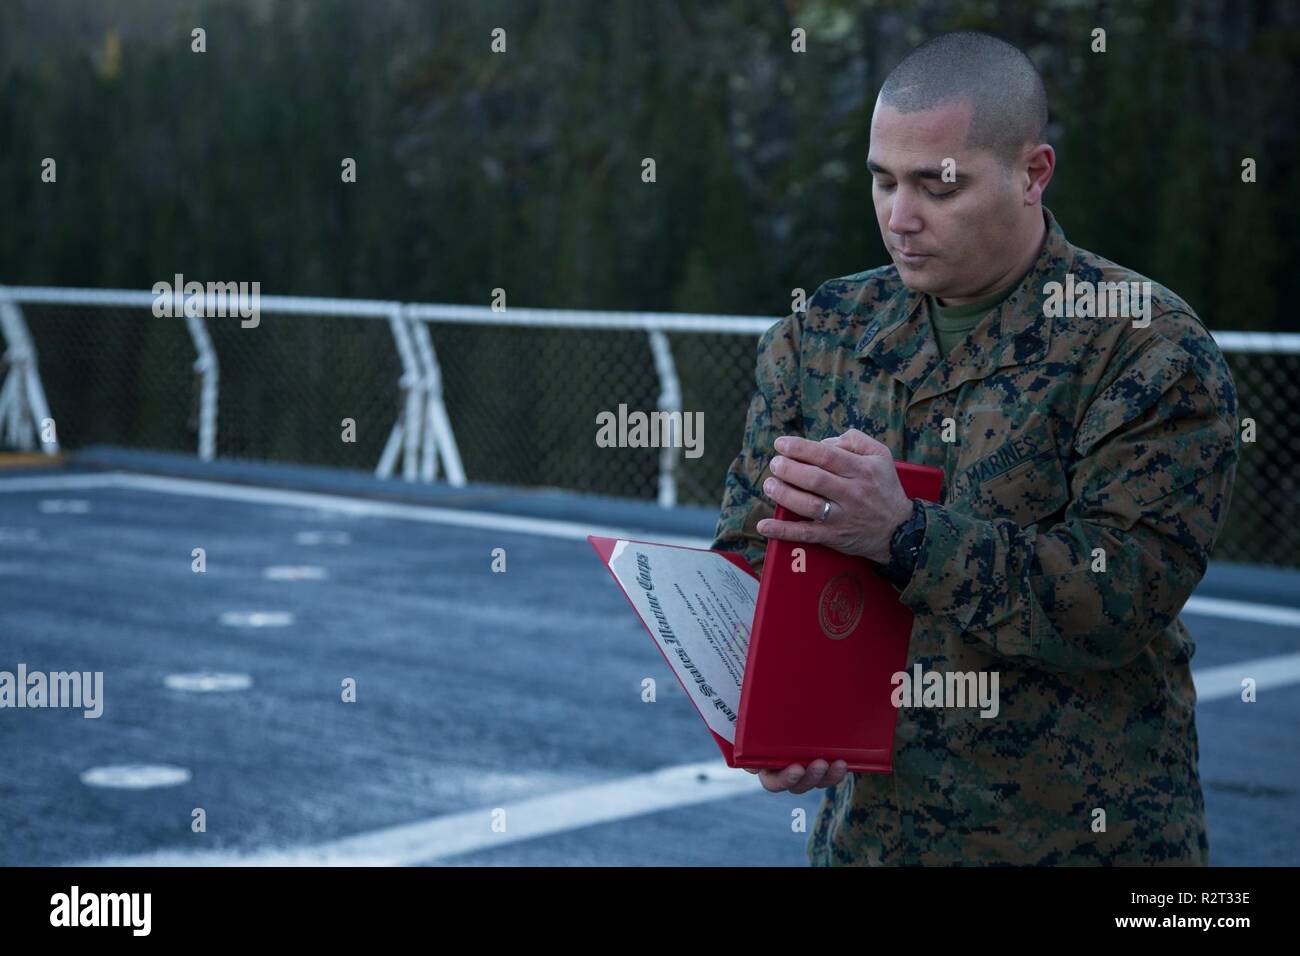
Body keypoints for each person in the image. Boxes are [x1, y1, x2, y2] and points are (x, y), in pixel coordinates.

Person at [711, 30, 1240, 865]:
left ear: (1033, 174)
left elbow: (1123, 592)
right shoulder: (821, 335)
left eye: (937, 186)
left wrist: (908, 537)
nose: (899, 216)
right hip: (875, 841)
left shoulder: (1144, 347)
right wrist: (765, 710)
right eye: (882, 181)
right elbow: (753, 548)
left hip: (1082, 838)